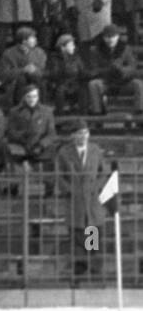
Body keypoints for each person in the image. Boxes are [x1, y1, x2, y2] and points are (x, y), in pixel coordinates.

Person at [53, 117, 111, 280]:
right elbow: (59, 175)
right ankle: (80, 267)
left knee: (92, 230)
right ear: (73, 135)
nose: (83, 136)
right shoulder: (64, 153)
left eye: (85, 132)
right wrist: (70, 190)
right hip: (75, 200)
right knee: (78, 233)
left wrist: (96, 187)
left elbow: (103, 172)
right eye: (79, 133)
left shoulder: (95, 150)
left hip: (92, 200)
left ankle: (94, 267)